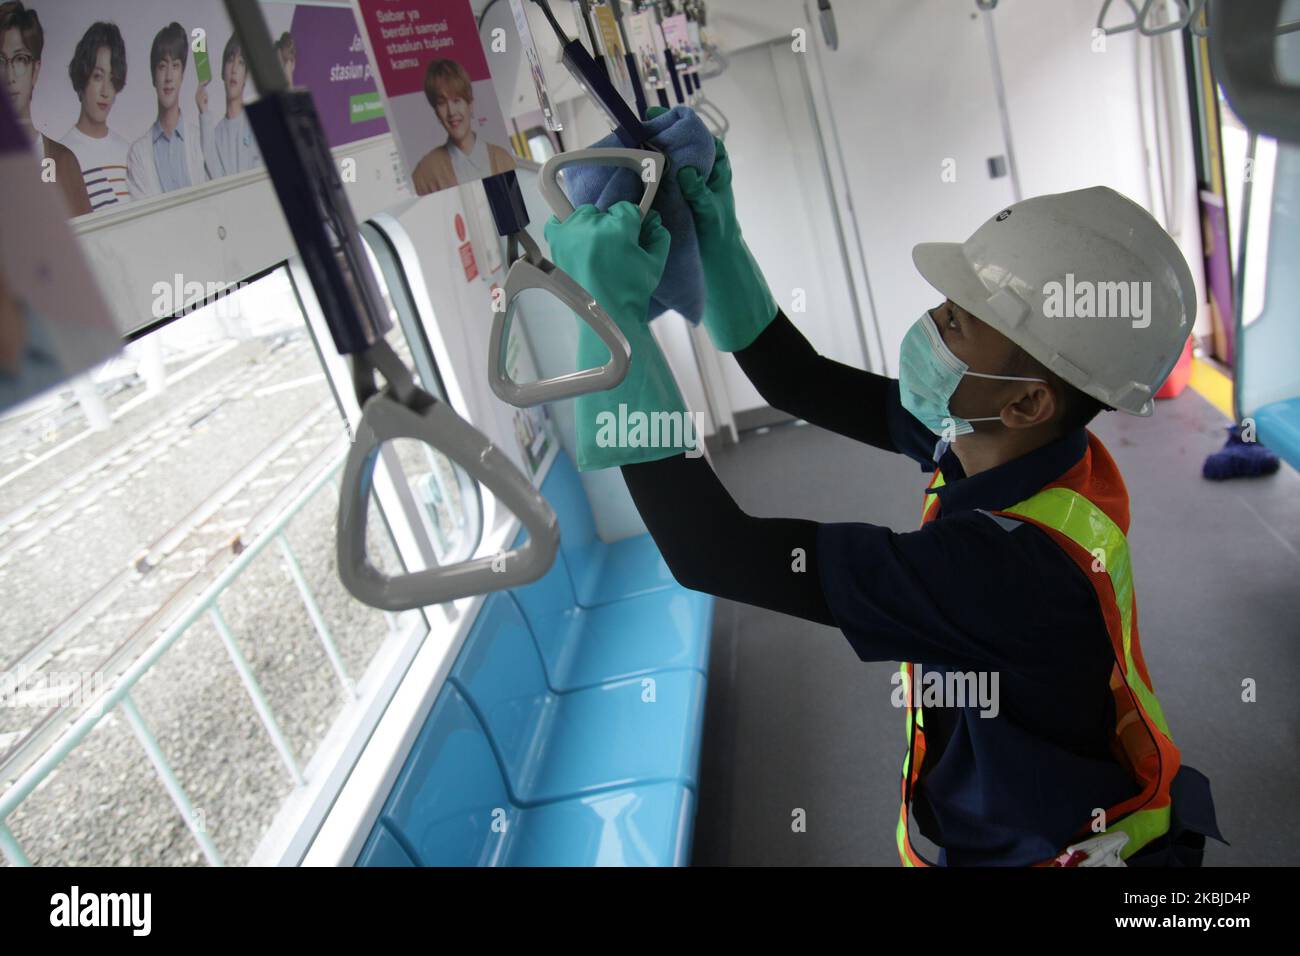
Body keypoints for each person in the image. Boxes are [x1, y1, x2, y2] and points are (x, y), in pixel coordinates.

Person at [542, 120, 1225, 867]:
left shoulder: (1000, 572)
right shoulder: (1010, 443)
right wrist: (719, 239)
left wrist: (609, 321)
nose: (929, 327)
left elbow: (714, 553)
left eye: (957, 323)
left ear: (1029, 401)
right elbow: (799, 383)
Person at [0, 1, 92, 216]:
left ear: (35, 70)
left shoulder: (64, 161)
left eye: (20, 59)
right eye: (1, 61)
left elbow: (88, 240)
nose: (10, 75)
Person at [126, 22, 209, 198]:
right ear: (153, 76)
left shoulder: (201, 140)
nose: (169, 77)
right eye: (162, 66)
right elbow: (145, 217)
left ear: (183, 74)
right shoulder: (138, 154)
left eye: (176, 66)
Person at [409, 58, 513, 195]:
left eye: (456, 100)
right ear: (436, 112)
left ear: (470, 104)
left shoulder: (503, 159)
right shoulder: (425, 173)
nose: (451, 112)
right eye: (441, 103)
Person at [61, 21, 131, 210]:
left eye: (112, 78)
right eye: (98, 77)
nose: (106, 91)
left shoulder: (129, 153)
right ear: (83, 77)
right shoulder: (62, 157)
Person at [197, 34, 261, 178]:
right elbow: (215, 181)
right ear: (222, 71)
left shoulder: (258, 125)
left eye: (241, 62)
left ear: (246, 76)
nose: (234, 69)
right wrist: (204, 112)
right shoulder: (214, 134)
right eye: (230, 60)